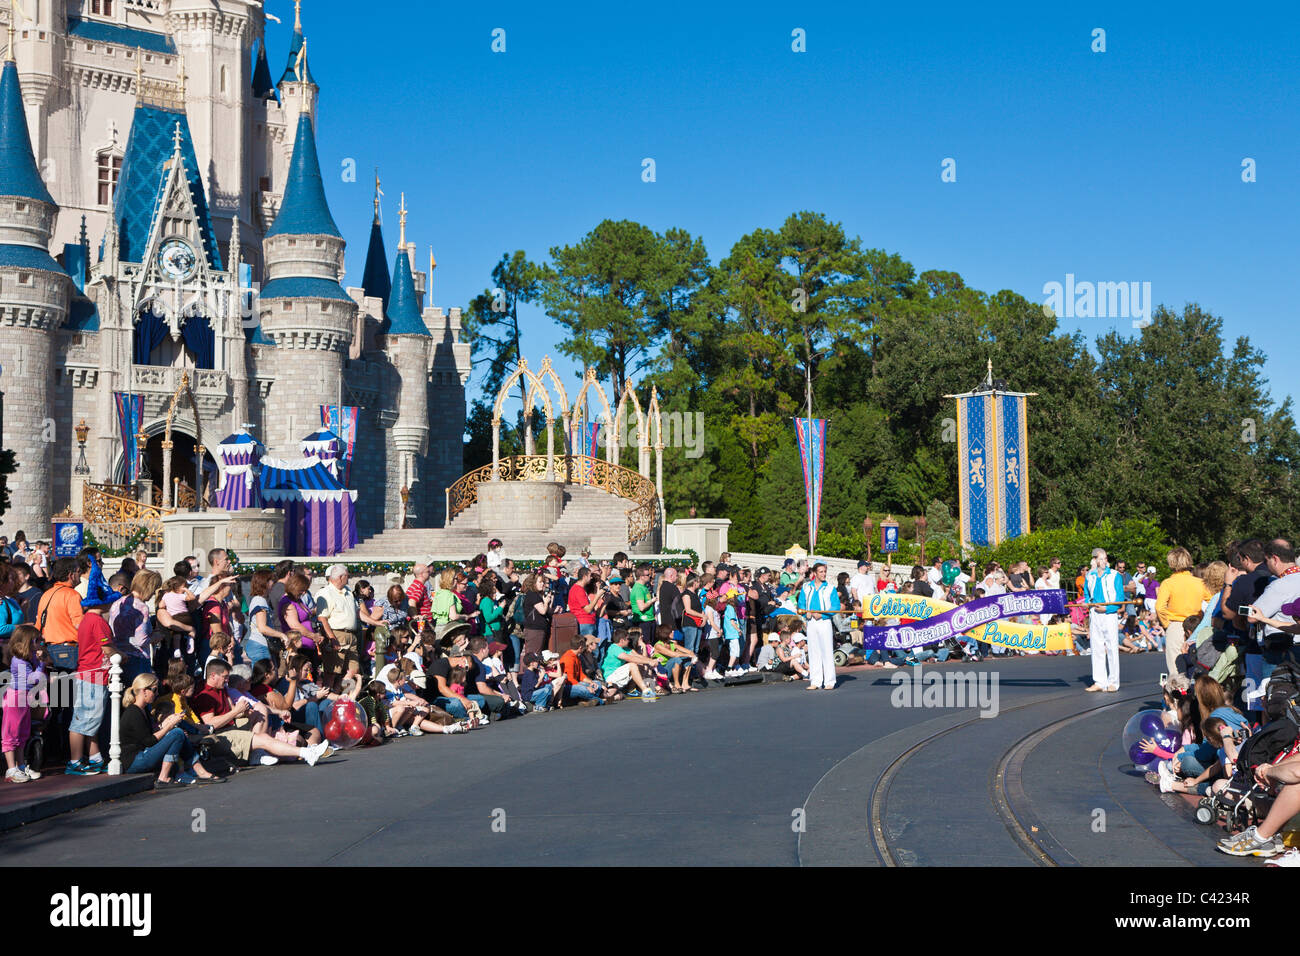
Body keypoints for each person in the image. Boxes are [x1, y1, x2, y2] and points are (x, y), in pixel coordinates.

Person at [193, 659, 330, 767]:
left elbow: (233, 711)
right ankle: (307, 753)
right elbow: (210, 724)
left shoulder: (222, 688)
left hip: (232, 725)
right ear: (212, 675)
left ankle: (257, 753)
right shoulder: (205, 694)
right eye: (225, 677)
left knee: (260, 709)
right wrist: (236, 712)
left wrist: (245, 712)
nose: (227, 680)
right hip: (220, 734)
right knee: (264, 739)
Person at [119, 673, 224, 787]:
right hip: (135, 761)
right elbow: (149, 741)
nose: (157, 693)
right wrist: (169, 726)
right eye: (154, 690)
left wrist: (166, 725)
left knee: (177, 734)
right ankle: (164, 778)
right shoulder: (133, 712)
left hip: (143, 755)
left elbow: (149, 736)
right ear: (144, 691)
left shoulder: (143, 710)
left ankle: (200, 772)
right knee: (177, 732)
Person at [66, 558, 118, 775]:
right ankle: (75, 761)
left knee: (91, 719)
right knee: (82, 721)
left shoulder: (88, 619)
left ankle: (94, 756)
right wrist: (121, 656)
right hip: (93, 674)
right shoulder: (98, 622)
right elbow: (107, 650)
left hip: (90, 673)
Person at [2, 624, 44, 782]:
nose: (40, 643)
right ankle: (11, 769)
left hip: (25, 698)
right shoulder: (18, 661)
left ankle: (20, 766)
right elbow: (34, 679)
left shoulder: (29, 657)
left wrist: (40, 659)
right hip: (15, 699)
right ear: (27, 641)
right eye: (36, 640)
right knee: (11, 733)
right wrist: (41, 665)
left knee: (22, 733)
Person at [1155, 546, 1205, 678]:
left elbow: (1160, 607)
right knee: (1198, 665)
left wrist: (1167, 624)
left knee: (1175, 669)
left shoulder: (1168, 583)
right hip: (1197, 626)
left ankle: (1178, 696)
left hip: (1176, 625)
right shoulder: (1200, 582)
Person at [1084, 548, 1124, 693]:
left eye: (1105, 558)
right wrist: (1089, 603)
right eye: (1100, 559)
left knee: (1112, 647)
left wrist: (1107, 609)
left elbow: (1119, 599)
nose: (1104, 561)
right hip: (1095, 613)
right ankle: (1100, 681)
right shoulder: (1090, 575)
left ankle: (1113, 682)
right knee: (1097, 647)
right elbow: (1086, 594)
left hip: (1109, 614)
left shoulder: (1115, 575)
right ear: (1094, 560)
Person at [797, 563, 840, 691]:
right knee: (813, 651)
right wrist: (806, 612)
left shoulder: (830, 588)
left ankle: (829, 681)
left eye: (824, 571)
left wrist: (822, 614)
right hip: (810, 623)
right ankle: (815, 680)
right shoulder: (806, 587)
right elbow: (801, 605)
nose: (823, 574)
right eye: (821, 572)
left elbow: (835, 607)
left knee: (826, 651)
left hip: (824, 622)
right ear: (815, 573)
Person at [317, 564, 361, 685]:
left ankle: (344, 697)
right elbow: (322, 618)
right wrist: (332, 638)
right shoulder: (325, 592)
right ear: (341, 577)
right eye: (348, 576)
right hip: (337, 634)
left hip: (351, 635)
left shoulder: (348, 592)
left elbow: (358, 613)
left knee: (353, 670)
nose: (349, 578)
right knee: (333, 672)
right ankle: (329, 700)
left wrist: (376, 622)